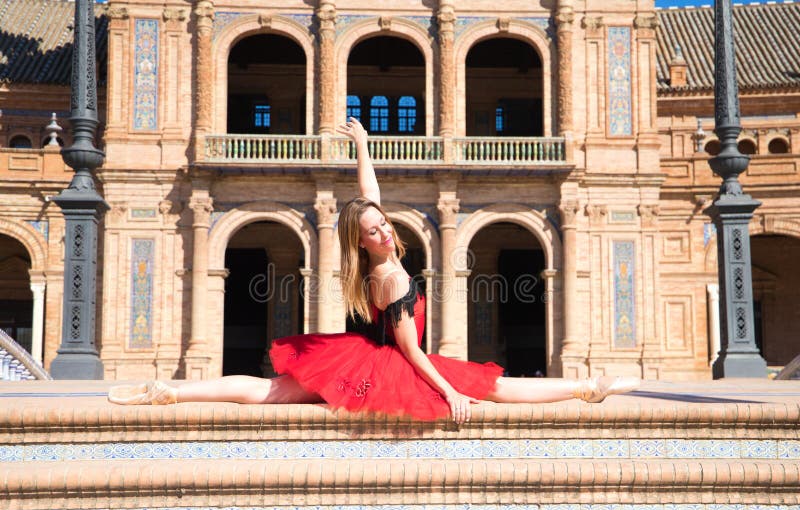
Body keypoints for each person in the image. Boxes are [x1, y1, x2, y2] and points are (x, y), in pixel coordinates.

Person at [108, 118, 640, 423]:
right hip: (384, 365)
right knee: (489, 387)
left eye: (384, 225)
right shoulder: (395, 278)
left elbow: (369, 196)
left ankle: (168, 391)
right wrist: (449, 391)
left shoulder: (366, 259)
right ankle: (587, 387)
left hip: (353, 355)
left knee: (271, 391)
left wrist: (363, 148)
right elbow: (410, 351)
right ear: (362, 242)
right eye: (375, 230)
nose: (385, 230)